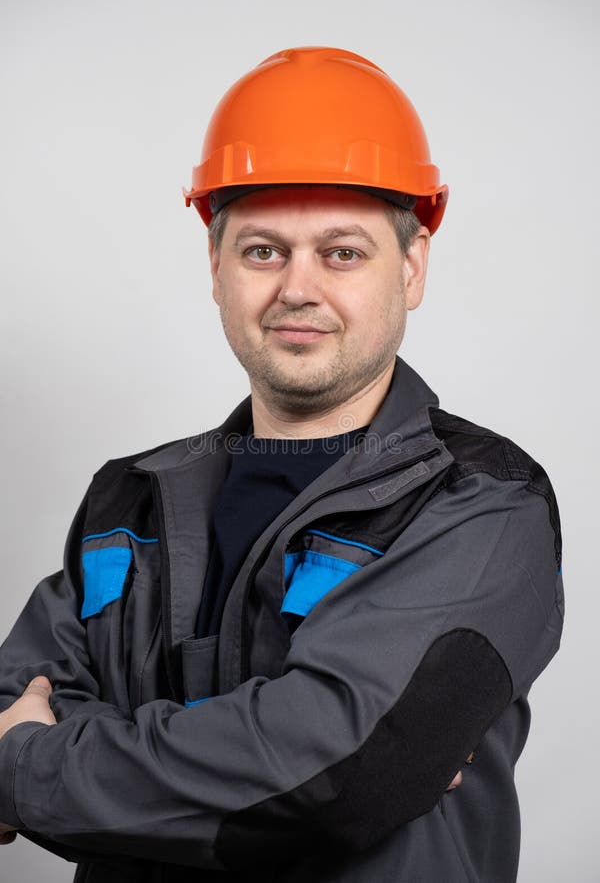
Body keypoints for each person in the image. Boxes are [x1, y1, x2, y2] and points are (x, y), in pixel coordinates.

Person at [0, 47, 563, 883]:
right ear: (216, 269)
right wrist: (245, 761)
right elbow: (13, 695)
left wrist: (30, 772)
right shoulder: (131, 497)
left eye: (343, 253)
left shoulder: (483, 503)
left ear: (411, 268)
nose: (298, 288)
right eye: (263, 251)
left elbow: (336, 780)